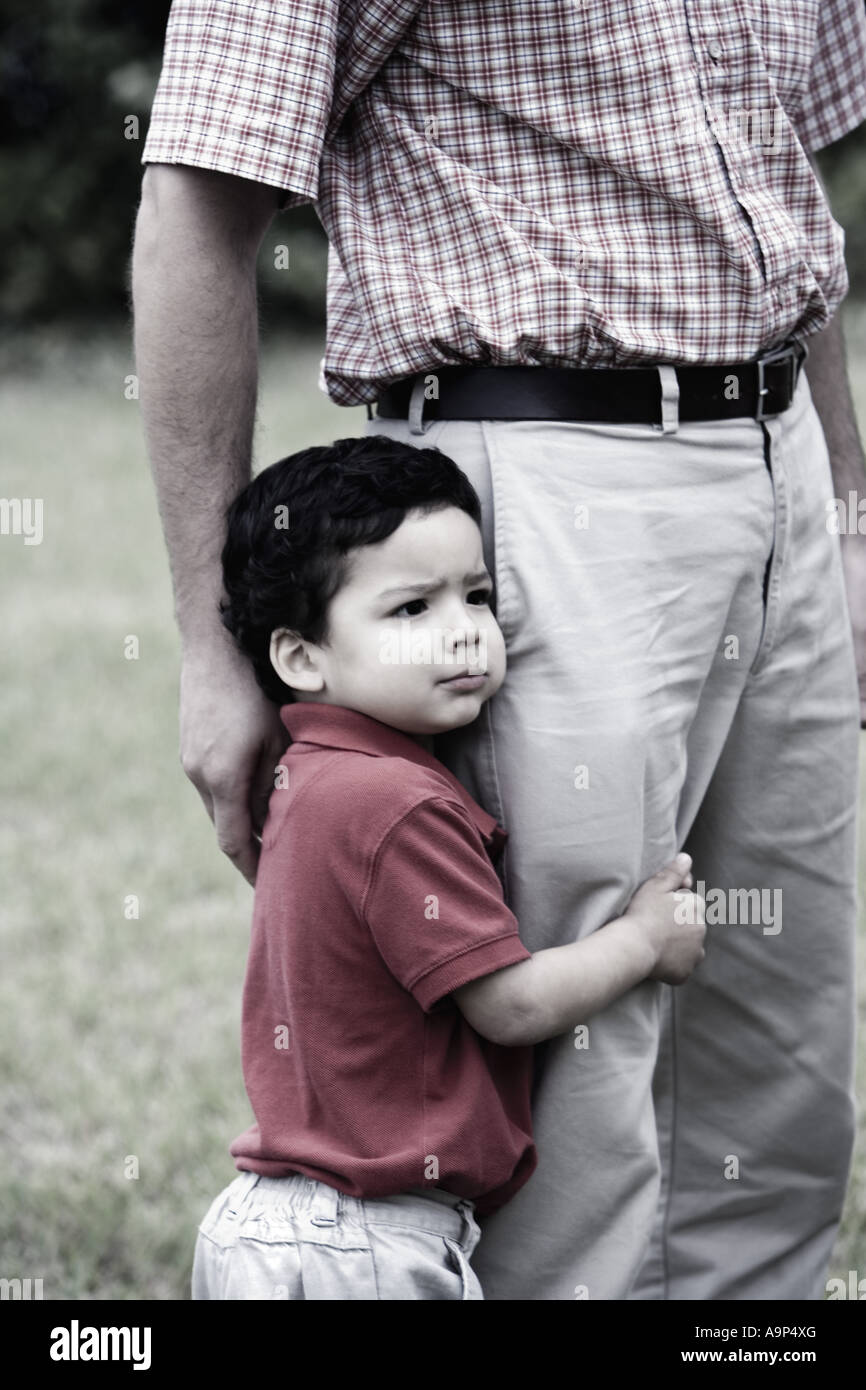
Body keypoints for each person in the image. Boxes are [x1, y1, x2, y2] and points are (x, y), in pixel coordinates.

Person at [133, 2, 866, 1299]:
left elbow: (778, 168)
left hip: (783, 457)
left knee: (777, 1038)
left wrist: (848, 517)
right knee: (567, 1098)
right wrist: (213, 644)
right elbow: (200, 195)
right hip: (534, 481)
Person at [189, 432, 706, 1300]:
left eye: (477, 595)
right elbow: (512, 1004)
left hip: (276, 1229)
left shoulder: (310, 779)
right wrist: (647, 941)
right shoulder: (397, 804)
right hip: (369, 1243)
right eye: (411, 611)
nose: (464, 633)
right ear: (300, 656)